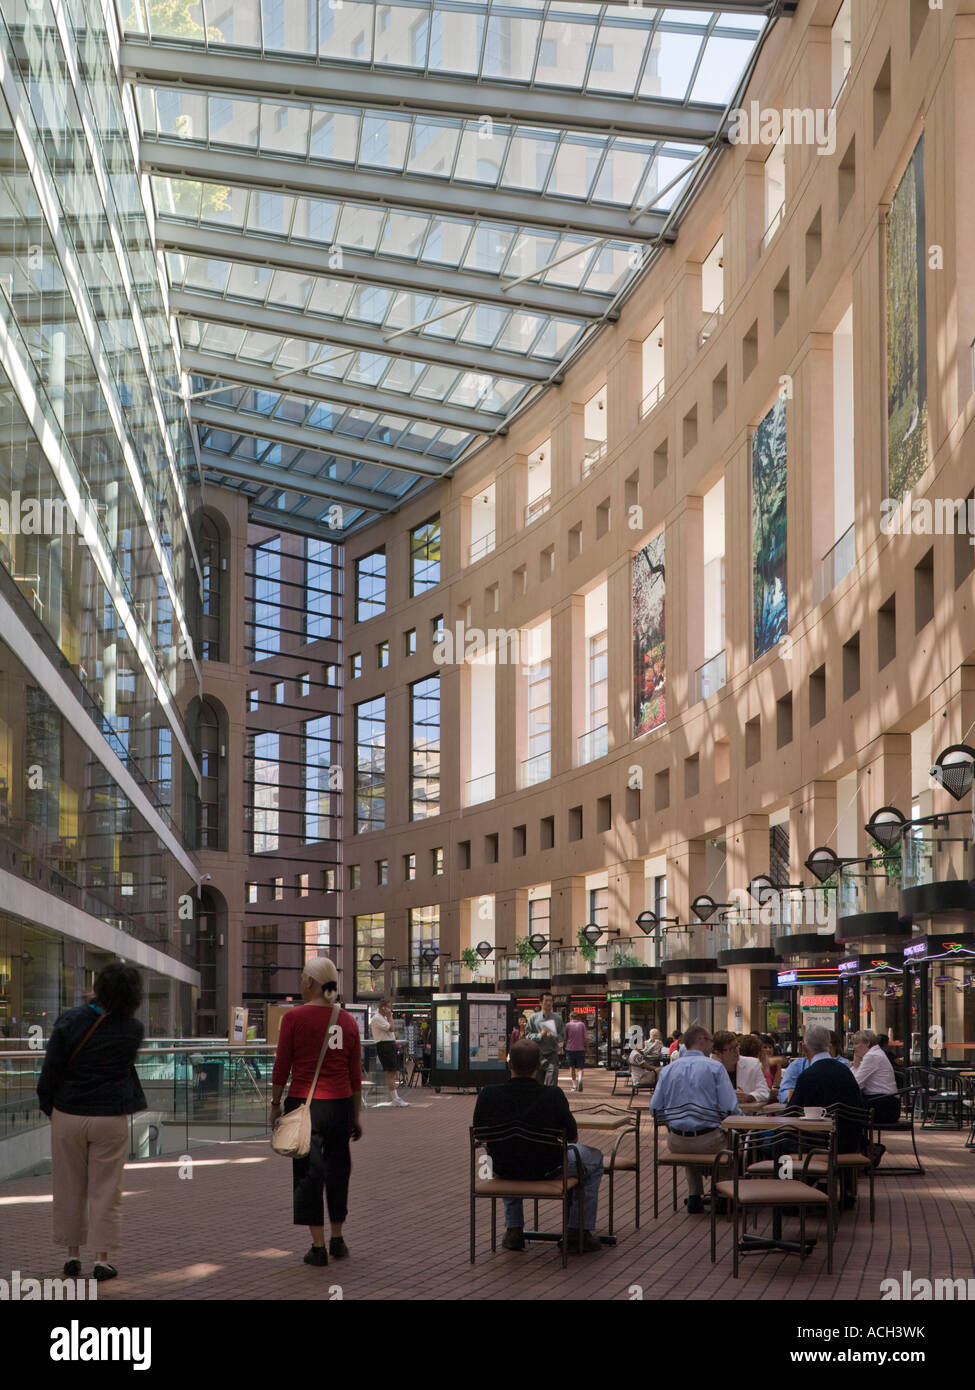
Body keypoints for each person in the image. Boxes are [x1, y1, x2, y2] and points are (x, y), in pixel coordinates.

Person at [36, 962, 147, 1281]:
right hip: (110, 1116)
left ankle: (72, 1255)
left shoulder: (69, 1021)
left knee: (69, 1185)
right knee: (106, 1189)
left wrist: (51, 1108)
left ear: (99, 988)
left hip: (68, 1112)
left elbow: (50, 1071)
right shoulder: (133, 1029)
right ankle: (101, 1258)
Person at [271, 957, 363, 1265]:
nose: (299, 982)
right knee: (339, 1171)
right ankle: (338, 1238)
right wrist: (356, 1116)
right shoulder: (347, 1021)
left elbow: (282, 1067)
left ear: (310, 982)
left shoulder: (294, 1019)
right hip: (339, 1105)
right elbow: (355, 1074)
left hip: (304, 1104)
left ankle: (318, 1246)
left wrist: (274, 1104)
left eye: (301, 978)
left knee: (309, 1174)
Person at [472, 1040, 604, 1253]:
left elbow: (479, 1134)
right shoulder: (552, 1095)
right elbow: (572, 1137)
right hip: (548, 1168)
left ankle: (514, 1228)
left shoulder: (488, 1094)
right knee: (594, 1159)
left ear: (510, 1065)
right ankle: (577, 1231)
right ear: (539, 1067)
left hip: (503, 1168)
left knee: (509, 1150)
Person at [650, 1024, 742, 1213]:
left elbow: (655, 1109)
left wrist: (673, 1121)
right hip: (709, 1141)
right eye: (710, 1041)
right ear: (701, 1040)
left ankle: (694, 1195)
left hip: (676, 1141)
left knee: (689, 1138)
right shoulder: (715, 1067)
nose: (712, 1046)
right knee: (731, 1141)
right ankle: (723, 1194)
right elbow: (730, 1107)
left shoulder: (667, 1070)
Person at [787, 1023, 864, 1157]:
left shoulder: (808, 1076)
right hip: (849, 1142)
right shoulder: (846, 1072)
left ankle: (786, 1176)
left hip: (814, 1144)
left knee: (776, 1142)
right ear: (829, 1046)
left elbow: (791, 1113)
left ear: (804, 1048)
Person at [851, 1028, 901, 1123]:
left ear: (867, 1043)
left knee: (846, 1110)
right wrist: (856, 1064)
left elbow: (855, 1084)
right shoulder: (874, 1054)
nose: (854, 1047)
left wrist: (855, 1065)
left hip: (884, 1106)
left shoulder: (872, 1056)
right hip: (884, 1102)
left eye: (856, 1043)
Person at [370, 999, 408, 1106]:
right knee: (390, 1071)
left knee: (393, 1071)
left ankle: (395, 1097)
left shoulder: (383, 1018)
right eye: (389, 1007)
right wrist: (390, 1017)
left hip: (389, 1045)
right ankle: (394, 1098)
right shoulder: (377, 1018)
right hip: (384, 1045)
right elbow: (391, 1028)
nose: (390, 1009)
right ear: (383, 1007)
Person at [526, 992, 564, 1087]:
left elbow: (562, 1038)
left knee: (551, 1085)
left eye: (551, 1001)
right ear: (540, 1002)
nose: (549, 1003)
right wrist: (539, 1035)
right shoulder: (533, 1018)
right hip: (537, 1056)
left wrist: (553, 1036)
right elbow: (527, 1035)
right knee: (537, 1085)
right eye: (546, 1000)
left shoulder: (558, 1019)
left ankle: (549, 1101)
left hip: (552, 1055)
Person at [734, 1033, 772, 1103]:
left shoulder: (755, 1064)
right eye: (764, 1047)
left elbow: (764, 1091)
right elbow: (768, 1088)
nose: (767, 1050)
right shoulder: (758, 1065)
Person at [564, 1012, 588, 1092]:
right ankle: (580, 1078)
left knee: (572, 1067)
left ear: (570, 1017)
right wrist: (586, 1047)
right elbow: (586, 1038)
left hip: (570, 1049)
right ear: (577, 1017)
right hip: (580, 1049)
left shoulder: (567, 1025)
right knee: (580, 1067)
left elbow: (565, 1037)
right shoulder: (582, 1025)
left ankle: (574, 1085)